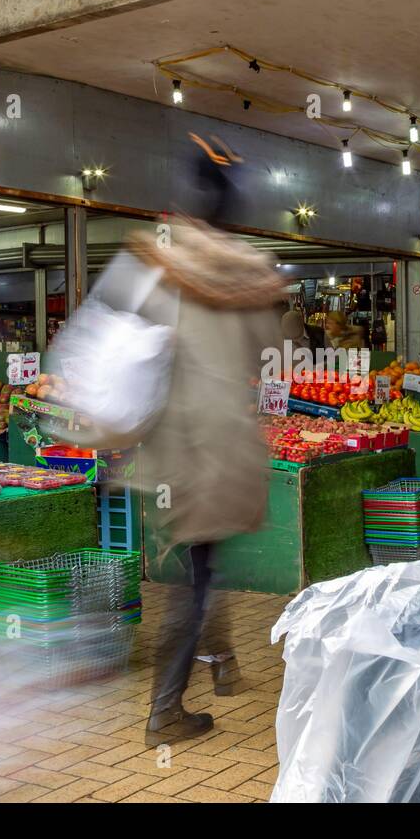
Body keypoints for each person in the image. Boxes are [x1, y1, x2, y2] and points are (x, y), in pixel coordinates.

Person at [123, 218, 284, 745]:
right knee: (191, 589)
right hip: (205, 462)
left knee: (199, 576)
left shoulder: (157, 284)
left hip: (171, 461)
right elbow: (268, 345)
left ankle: (219, 668)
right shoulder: (235, 289)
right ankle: (165, 711)